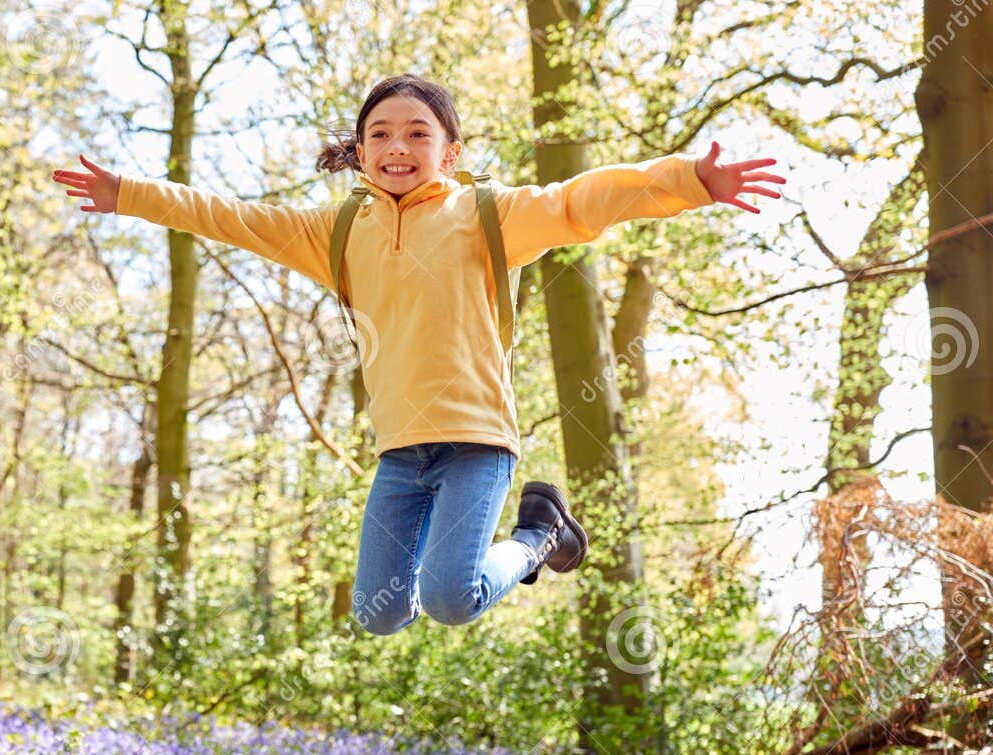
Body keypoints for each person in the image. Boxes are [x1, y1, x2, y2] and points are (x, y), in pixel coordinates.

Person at [53, 73, 783, 635]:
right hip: (400, 451)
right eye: (380, 135)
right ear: (362, 149)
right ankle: (511, 537)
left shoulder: (487, 214)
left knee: (449, 599)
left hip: (478, 442)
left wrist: (688, 180)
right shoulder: (336, 233)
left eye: (416, 134)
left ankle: (539, 535)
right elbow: (235, 218)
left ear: (449, 151)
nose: (397, 148)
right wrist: (132, 194)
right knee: (379, 612)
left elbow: (578, 201)